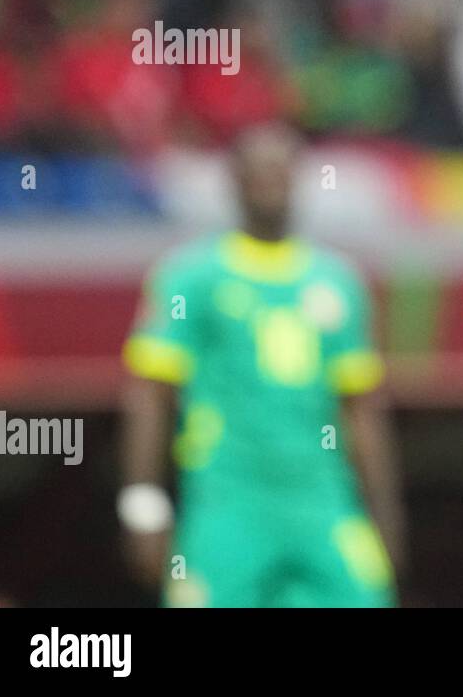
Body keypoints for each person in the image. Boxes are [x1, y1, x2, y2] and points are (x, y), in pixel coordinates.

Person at [119, 122, 404, 606]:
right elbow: (150, 396)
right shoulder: (191, 277)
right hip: (228, 498)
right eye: (258, 171)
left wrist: (386, 518)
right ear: (234, 180)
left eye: (281, 170)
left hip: (322, 499)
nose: (271, 181)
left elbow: (361, 411)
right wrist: (143, 503)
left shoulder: (337, 283)